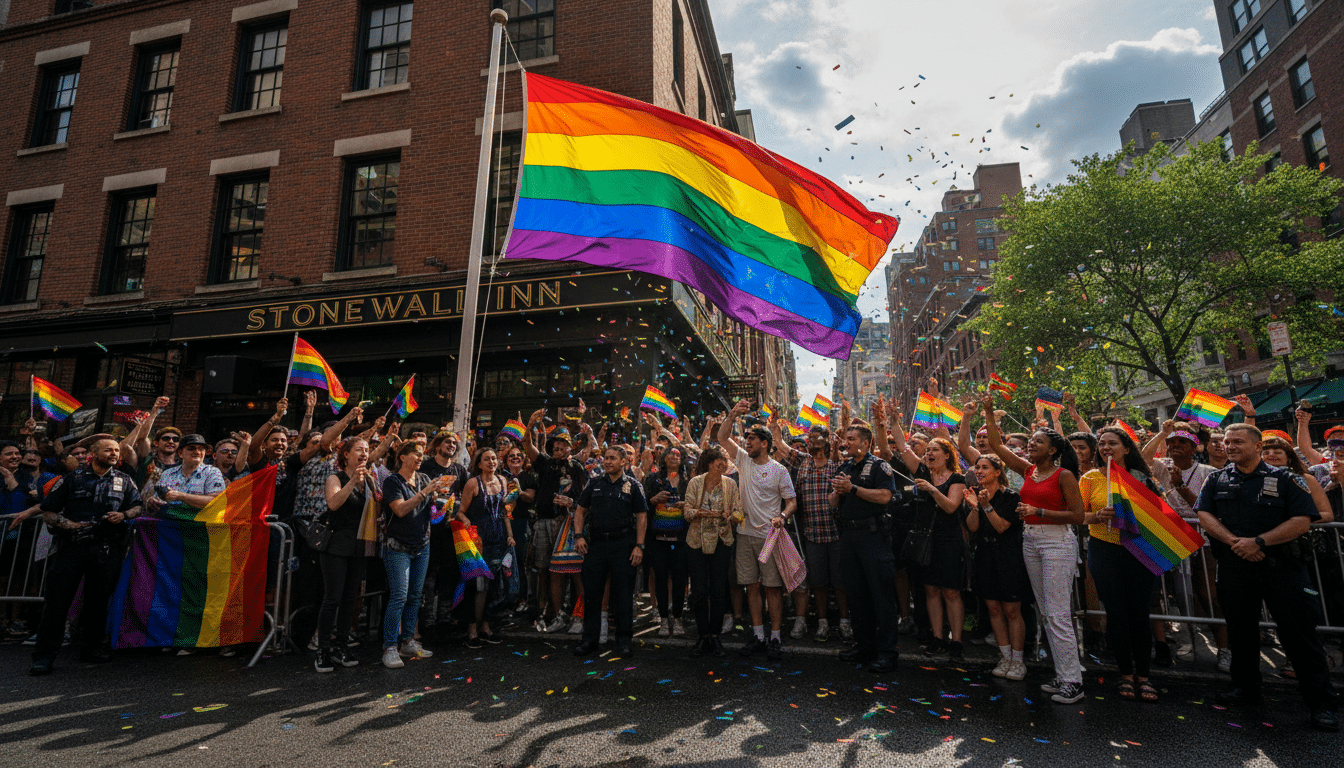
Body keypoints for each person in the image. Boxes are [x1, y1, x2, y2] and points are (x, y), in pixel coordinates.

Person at [1195, 423, 1338, 732]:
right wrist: (1237, 542)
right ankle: (1245, 688)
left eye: (1237, 442)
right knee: (1241, 632)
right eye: (1227, 441)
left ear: (1258, 447)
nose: (1229, 446)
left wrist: (1259, 542)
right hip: (1235, 567)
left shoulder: (1287, 479)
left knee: (1300, 636)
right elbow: (1204, 515)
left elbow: (1302, 520)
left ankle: (1320, 702)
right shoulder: (1216, 479)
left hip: (1282, 569)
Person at [981, 394, 1087, 704]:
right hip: (1031, 542)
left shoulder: (1064, 475)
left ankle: (1073, 682)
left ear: (1053, 450)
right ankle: (1062, 674)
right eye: (1031, 443)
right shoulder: (1029, 471)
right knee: (1045, 613)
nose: (1031, 446)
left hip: (1057, 542)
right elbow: (998, 447)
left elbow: (1078, 516)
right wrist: (988, 412)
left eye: (1037, 443)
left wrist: (1039, 512)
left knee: (1057, 615)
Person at [29, 437, 143, 675]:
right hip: (72, 549)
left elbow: (137, 506)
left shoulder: (124, 480)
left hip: (106, 549)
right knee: (57, 603)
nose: (113, 454)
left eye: (116, 450)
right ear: (93, 453)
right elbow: (48, 511)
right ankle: (44, 657)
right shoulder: (71, 480)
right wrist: (69, 525)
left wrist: (123, 516)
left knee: (98, 603)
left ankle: (92, 649)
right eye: (108, 450)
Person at [1081, 427, 1163, 703]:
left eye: (1112, 443)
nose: (1105, 447)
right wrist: (1095, 516)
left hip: (1138, 549)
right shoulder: (1090, 478)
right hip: (1104, 550)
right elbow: (1077, 514)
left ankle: (1144, 675)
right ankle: (1125, 674)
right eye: (1101, 444)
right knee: (1116, 613)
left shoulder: (1142, 477)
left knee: (1139, 613)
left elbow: (1158, 515)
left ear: (1126, 448)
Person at [719, 400, 797, 660]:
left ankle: (775, 637)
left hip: (770, 538)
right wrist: (732, 414)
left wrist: (782, 517)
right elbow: (722, 436)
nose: (746, 442)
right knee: (751, 587)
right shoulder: (743, 460)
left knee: (773, 588)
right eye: (746, 438)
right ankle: (758, 635)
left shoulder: (779, 470)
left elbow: (792, 501)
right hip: (745, 536)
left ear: (764, 443)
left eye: (751, 438)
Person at [773, 420, 852, 642]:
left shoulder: (838, 464)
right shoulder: (804, 462)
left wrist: (837, 450)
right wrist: (774, 429)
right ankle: (822, 622)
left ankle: (845, 621)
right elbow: (780, 445)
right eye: (810, 438)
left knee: (839, 581)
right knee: (817, 582)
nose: (812, 442)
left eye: (817, 438)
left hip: (836, 534)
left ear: (827, 441)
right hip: (812, 536)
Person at [829, 423, 899, 673]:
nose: (845, 443)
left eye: (851, 439)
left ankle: (888, 653)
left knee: (881, 597)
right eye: (845, 439)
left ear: (865, 443)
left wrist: (853, 489)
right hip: (849, 537)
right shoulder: (844, 466)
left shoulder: (880, 466)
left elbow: (885, 497)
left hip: (873, 537)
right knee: (856, 596)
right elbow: (834, 501)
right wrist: (838, 491)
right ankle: (864, 646)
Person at [380, 443, 454, 668]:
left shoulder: (422, 478)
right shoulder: (393, 481)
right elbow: (400, 509)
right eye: (416, 454)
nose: (421, 458)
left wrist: (443, 503)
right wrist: (425, 493)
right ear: (402, 457)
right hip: (397, 545)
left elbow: (430, 509)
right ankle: (389, 647)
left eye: (422, 455)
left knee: (415, 596)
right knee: (399, 596)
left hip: (422, 544)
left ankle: (408, 641)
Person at [571, 446, 649, 656]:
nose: (607, 462)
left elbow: (642, 516)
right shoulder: (595, 483)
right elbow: (580, 510)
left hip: (623, 545)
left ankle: (623, 641)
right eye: (606, 458)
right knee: (593, 595)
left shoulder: (633, 486)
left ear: (624, 462)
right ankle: (589, 640)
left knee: (623, 596)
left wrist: (639, 546)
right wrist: (578, 536)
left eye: (613, 458)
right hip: (596, 545)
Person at [897, 434, 968, 660]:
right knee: (931, 590)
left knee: (951, 592)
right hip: (926, 541)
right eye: (927, 450)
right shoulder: (923, 472)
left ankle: (956, 641)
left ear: (947, 455)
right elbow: (902, 447)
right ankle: (937, 639)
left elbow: (950, 508)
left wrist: (933, 489)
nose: (928, 453)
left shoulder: (957, 479)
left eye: (934, 450)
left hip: (948, 540)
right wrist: (889, 419)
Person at [524, 410, 589, 633]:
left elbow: (586, 498)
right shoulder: (544, 462)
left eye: (563, 446)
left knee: (575, 571)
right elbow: (527, 445)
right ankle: (555, 615)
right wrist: (530, 425)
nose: (558, 450)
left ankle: (580, 616)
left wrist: (571, 502)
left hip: (569, 524)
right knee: (550, 571)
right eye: (555, 447)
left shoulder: (577, 468)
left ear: (571, 448)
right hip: (545, 522)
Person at [963, 455, 1028, 680]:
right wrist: (974, 508)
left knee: (1011, 610)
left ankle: (1018, 661)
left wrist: (986, 506)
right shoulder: (975, 495)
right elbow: (973, 528)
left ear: (997, 472)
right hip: (984, 556)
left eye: (984, 468)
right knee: (993, 609)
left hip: (1007, 557)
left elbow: (1001, 527)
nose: (979, 471)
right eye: (977, 467)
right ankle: (1005, 656)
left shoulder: (1010, 496)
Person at [313, 438, 374, 672]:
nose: (365, 453)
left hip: (358, 546)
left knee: (350, 599)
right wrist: (352, 482)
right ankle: (323, 650)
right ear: (346, 454)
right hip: (336, 545)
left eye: (367, 450)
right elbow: (334, 503)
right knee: (333, 598)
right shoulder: (335, 478)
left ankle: (341, 646)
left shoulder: (367, 481)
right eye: (360, 449)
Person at [683, 446, 741, 657]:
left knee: (718, 590)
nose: (723, 467)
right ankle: (702, 635)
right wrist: (700, 512)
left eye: (725, 463)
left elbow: (739, 512)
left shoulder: (730, 484)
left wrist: (732, 516)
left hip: (721, 541)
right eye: (719, 463)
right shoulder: (695, 483)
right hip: (696, 542)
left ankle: (715, 636)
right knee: (699, 591)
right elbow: (687, 512)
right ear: (709, 464)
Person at [458, 447, 517, 648]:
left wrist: (510, 535)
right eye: (486, 459)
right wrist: (466, 522)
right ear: (479, 464)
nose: (491, 462)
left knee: (494, 585)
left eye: (493, 458)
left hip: (498, 538)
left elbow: (505, 511)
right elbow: (460, 512)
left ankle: (486, 626)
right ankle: (472, 629)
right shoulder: (473, 483)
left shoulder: (502, 482)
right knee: (476, 586)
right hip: (477, 541)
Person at [643, 445, 689, 637]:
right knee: (661, 578)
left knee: (680, 580)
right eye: (669, 454)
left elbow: (696, 504)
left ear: (682, 460)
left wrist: (687, 504)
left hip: (681, 540)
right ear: (663, 458)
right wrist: (653, 499)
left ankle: (677, 618)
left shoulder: (688, 481)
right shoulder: (653, 479)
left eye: (677, 455)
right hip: (658, 539)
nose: (673, 457)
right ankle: (663, 619)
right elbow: (641, 503)